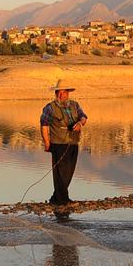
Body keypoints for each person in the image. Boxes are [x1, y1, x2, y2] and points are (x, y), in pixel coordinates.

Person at [40, 79, 87, 207]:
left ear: (68, 93)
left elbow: (84, 117)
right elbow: (44, 125)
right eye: (58, 93)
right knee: (60, 172)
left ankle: (56, 198)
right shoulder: (50, 108)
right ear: (56, 94)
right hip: (58, 143)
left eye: (64, 93)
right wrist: (47, 142)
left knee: (69, 172)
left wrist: (80, 123)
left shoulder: (75, 105)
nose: (61, 95)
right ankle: (63, 200)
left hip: (73, 142)